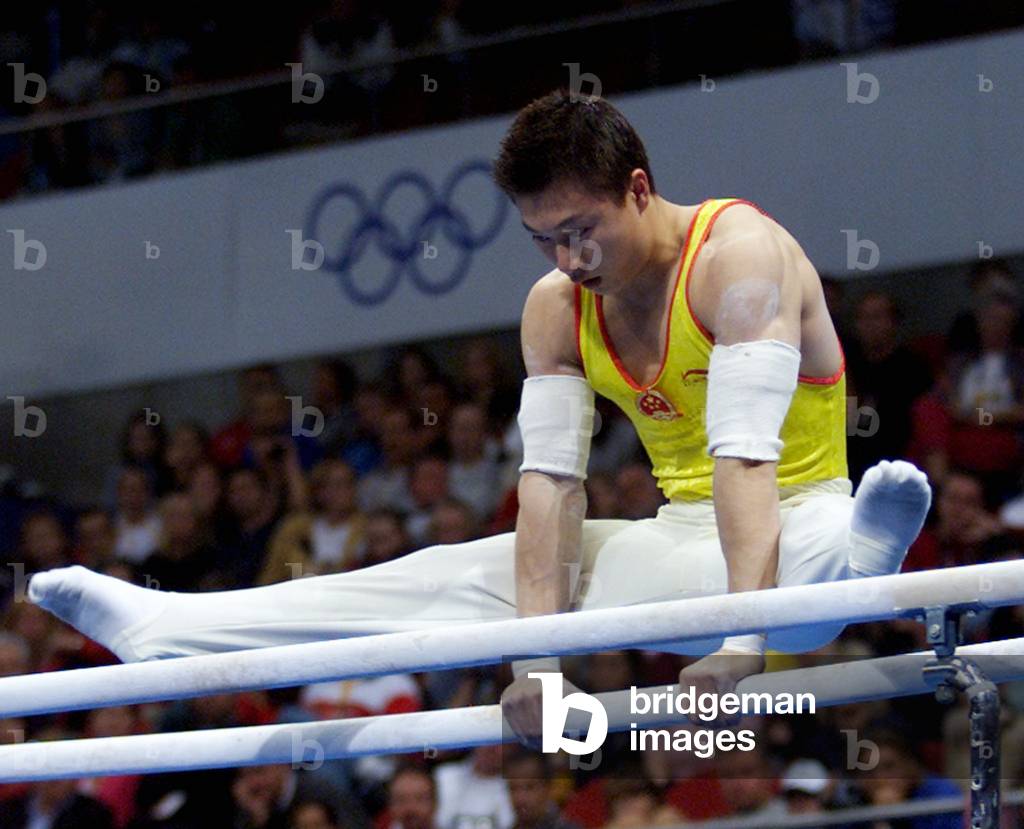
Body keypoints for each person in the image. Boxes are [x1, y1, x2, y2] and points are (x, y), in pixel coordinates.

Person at [24, 90, 932, 748]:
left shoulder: (738, 258)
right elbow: (549, 489)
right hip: (683, 544)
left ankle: (860, 555)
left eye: (583, 228)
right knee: (455, 570)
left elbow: (743, 460)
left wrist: (744, 649)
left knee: (809, 566)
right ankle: (174, 631)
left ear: (640, 189)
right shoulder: (554, 309)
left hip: (787, 518)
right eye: (543, 237)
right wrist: (532, 663)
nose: (569, 256)